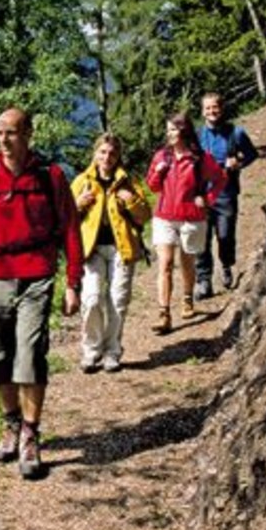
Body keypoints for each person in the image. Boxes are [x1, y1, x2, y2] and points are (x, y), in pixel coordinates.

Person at [0, 107, 83, 480]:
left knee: (29, 354)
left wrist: (72, 282)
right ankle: (10, 423)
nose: (4, 141)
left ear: (28, 134)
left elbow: (70, 231)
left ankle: (29, 433)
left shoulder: (50, 178)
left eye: (11, 133)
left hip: (38, 275)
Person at [70, 133, 151, 373]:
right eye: (103, 152)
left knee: (118, 301)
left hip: (122, 248)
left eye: (112, 153)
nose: (107, 157)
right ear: (95, 154)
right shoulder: (82, 181)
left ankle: (112, 351)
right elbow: (64, 218)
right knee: (92, 298)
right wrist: (78, 204)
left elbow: (145, 215)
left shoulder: (128, 181)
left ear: (118, 157)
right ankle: (91, 350)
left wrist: (132, 202)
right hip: (91, 250)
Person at [145, 113, 227, 334]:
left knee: (187, 262)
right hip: (164, 217)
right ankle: (164, 314)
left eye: (173, 129)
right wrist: (159, 171)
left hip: (192, 217)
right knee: (165, 263)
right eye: (168, 130)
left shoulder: (200, 158)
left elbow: (220, 179)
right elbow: (152, 186)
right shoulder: (162, 156)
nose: (169, 134)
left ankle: (188, 298)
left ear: (184, 131)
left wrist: (208, 199)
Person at [196, 92, 258, 298]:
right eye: (208, 108)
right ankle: (204, 281)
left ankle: (226, 265)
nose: (212, 111)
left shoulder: (236, 133)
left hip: (226, 193)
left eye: (215, 107)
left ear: (221, 109)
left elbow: (252, 154)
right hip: (201, 196)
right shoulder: (196, 137)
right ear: (202, 111)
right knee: (201, 240)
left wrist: (238, 163)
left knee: (225, 236)